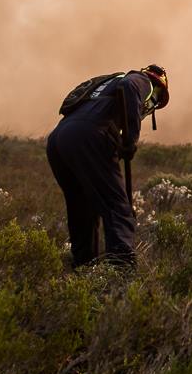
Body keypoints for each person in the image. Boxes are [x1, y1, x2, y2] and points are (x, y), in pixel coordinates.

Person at [46, 65, 168, 268]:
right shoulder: (142, 80)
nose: (152, 106)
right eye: (156, 101)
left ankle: (84, 270)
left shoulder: (106, 84)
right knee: (118, 208)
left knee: (82, 209)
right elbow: (130, 87)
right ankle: (121, 271)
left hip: (58, 140)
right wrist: (130, 140)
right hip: (90, 135)